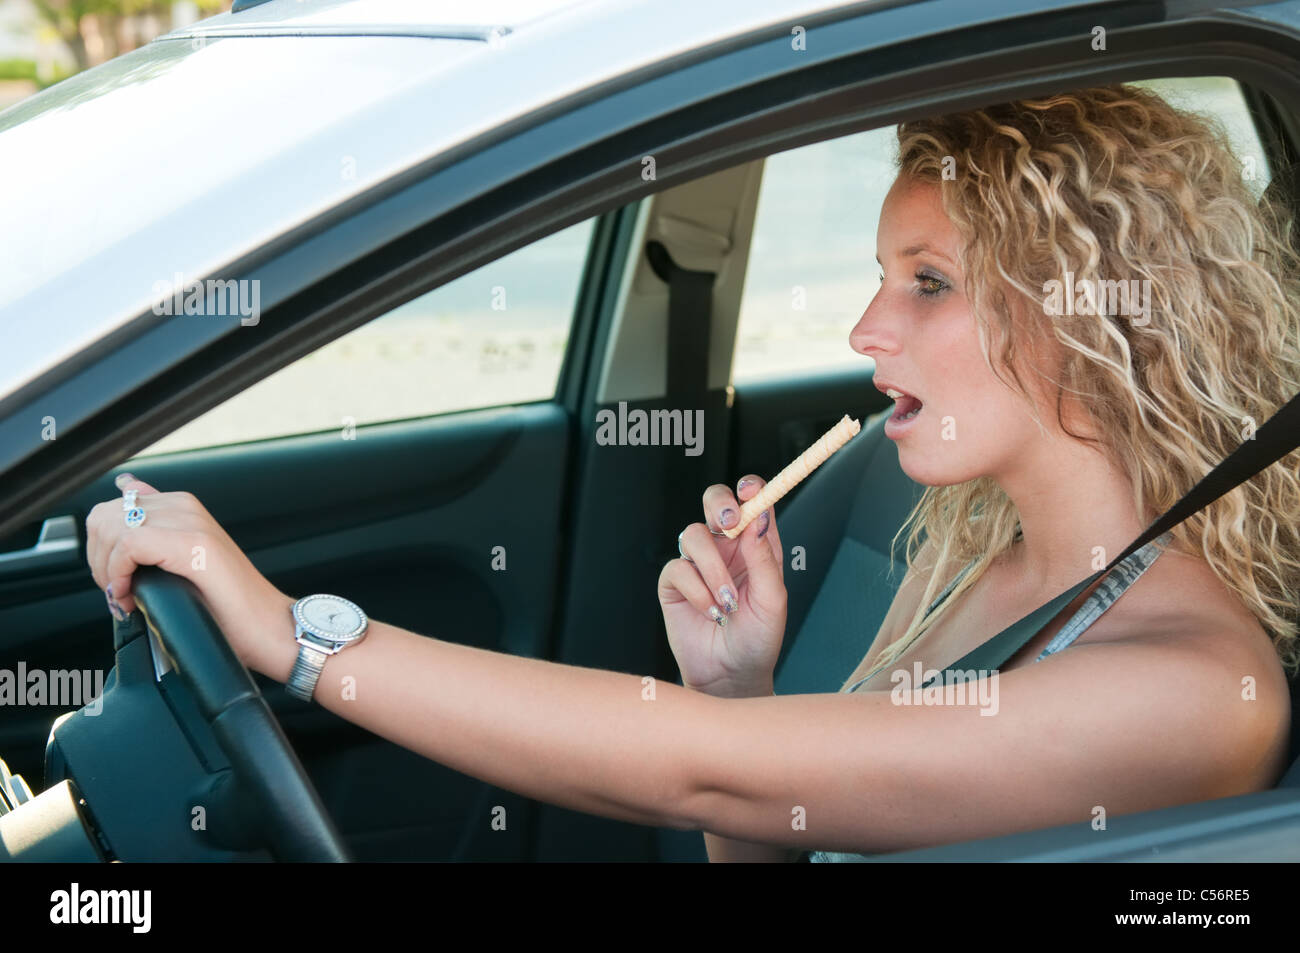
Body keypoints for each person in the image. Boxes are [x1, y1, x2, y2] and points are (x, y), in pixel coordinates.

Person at [85, 84, 1300, 862]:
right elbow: (757, 805)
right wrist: (739, 686)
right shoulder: (967, 553)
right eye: (885, 275)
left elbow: (700, 772)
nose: (866, 329)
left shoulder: (1187, 687)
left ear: (1094, 319)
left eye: (927, 282)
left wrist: (295, 634)